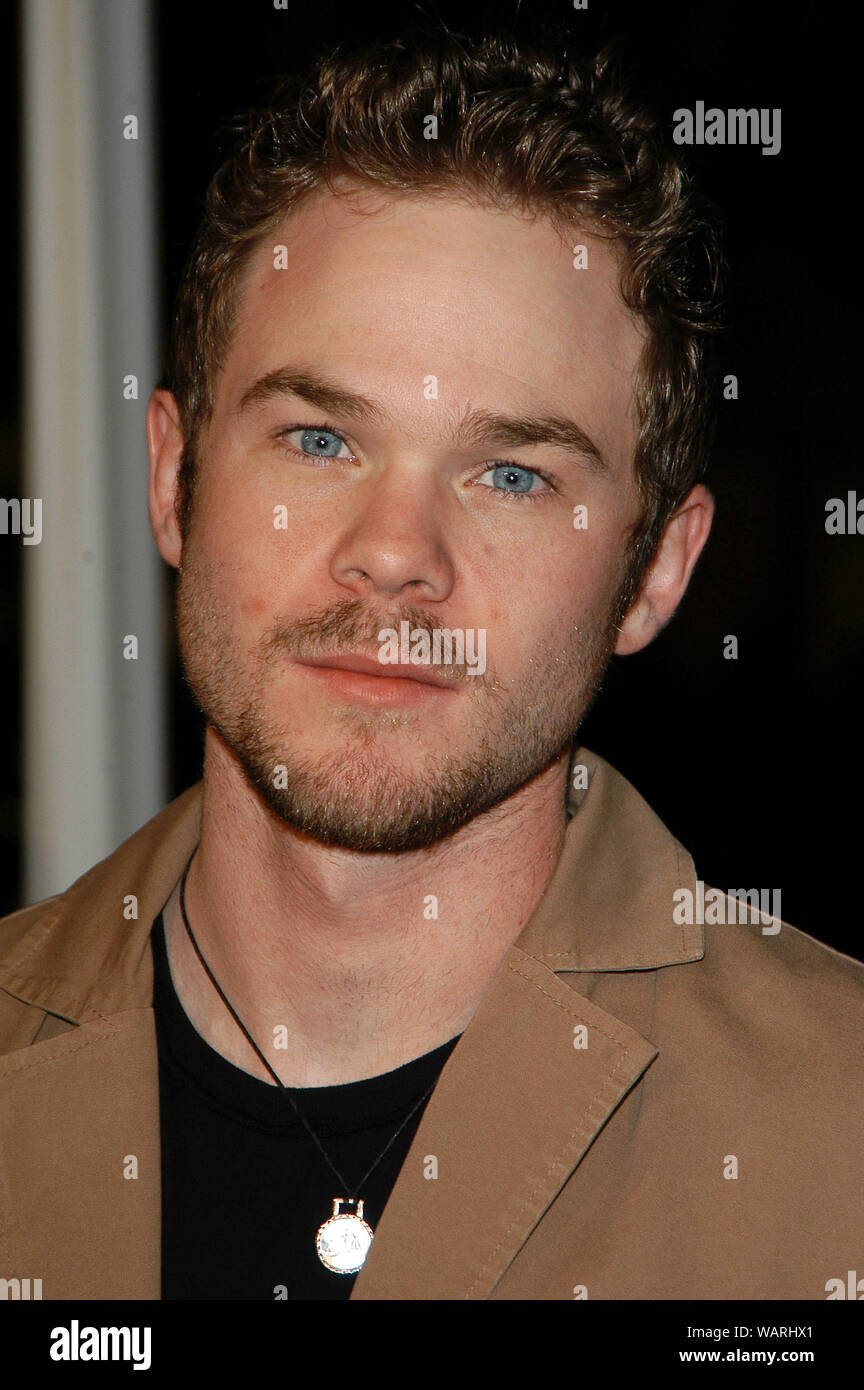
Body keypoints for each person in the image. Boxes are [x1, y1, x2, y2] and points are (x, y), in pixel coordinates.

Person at [1, 25, 861, 1303]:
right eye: (317, 439)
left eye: (510, 472)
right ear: (174, 477)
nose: (395, 556)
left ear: (656, 572)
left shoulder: (837, 1146)